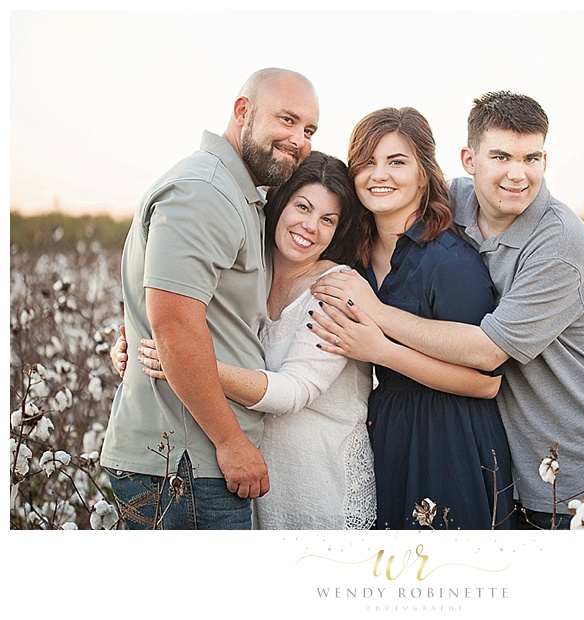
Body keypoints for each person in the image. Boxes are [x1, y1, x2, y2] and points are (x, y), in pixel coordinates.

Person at [311, 92, 584, 530]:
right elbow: (387, 191)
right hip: (501, 459)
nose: (516, 175)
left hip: (571, 469)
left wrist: (376, 317)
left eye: (531, 158)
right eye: (500, 156)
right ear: (469, 160)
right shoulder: (455, 203)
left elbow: (487, 354)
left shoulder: (560, 241)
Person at [100, 68, 320, 530]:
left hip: (193, 461)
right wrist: (230, 442)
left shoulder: (240, 194)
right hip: (185, 463)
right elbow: (174, 326)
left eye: (309, 130)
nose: (298, 139)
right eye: (287, 120)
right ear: (243, 112)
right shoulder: (206, 191)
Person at [115, 152, 377, 530]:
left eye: (327, 220)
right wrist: (130, 346)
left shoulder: (334, 290)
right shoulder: (252, 270)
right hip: (252, 480)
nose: (310, 226)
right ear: (280, 203)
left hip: (322, 484)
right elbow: (181, 312)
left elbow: (293, 391)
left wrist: (186, 364)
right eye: (301, 207)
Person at [309, 107, 515, 530]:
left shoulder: (449, 260)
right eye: (367, 162)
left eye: (396, 162)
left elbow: (486, 382)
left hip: (452, 436)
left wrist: (379, 349)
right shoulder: (354, 258)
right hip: (388, 429)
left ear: (424, 173)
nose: (378, 174)